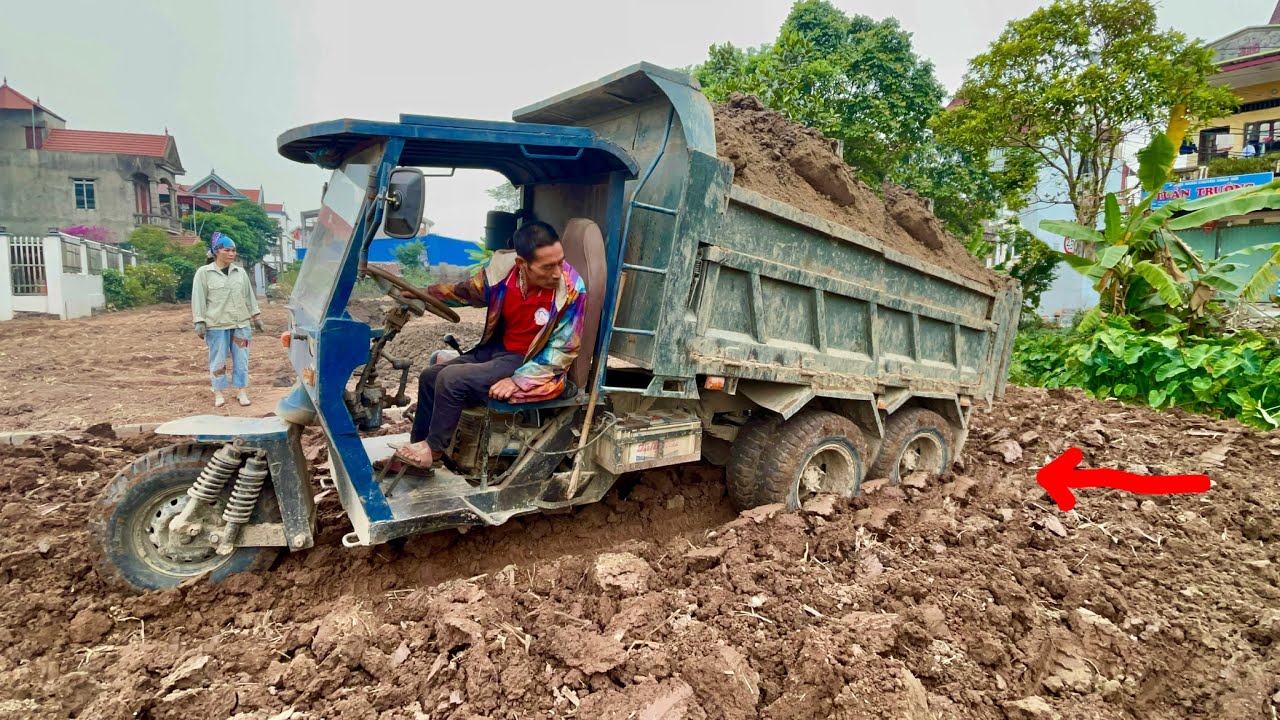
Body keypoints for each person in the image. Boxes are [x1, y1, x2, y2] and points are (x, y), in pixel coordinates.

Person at [388, 220, 586, 470]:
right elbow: (465, 292)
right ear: (521, 264)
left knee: (452, 379)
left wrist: (519, 380)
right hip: (496, 349)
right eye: (547, 267)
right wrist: (423, 293)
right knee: (430, 376)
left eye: (560, 262)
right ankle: (416, 452)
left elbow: (564, 349)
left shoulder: (571, 289)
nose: (558, 272)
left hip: (528, 359)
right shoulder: (500, 274)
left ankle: (433, 450)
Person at [192, 232, 264, 407]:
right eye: (227, 250)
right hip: (217, 325)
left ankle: (241, 391)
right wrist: (199, 321)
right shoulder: (204, 273)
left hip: (240, 325)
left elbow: (249, 297)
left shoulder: (240, 273)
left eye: (233, 250)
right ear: (217, 251)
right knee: (218, 360)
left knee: (241, 359)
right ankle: (218, 392)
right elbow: (198, 298)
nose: (232, 254)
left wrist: (256, 317)